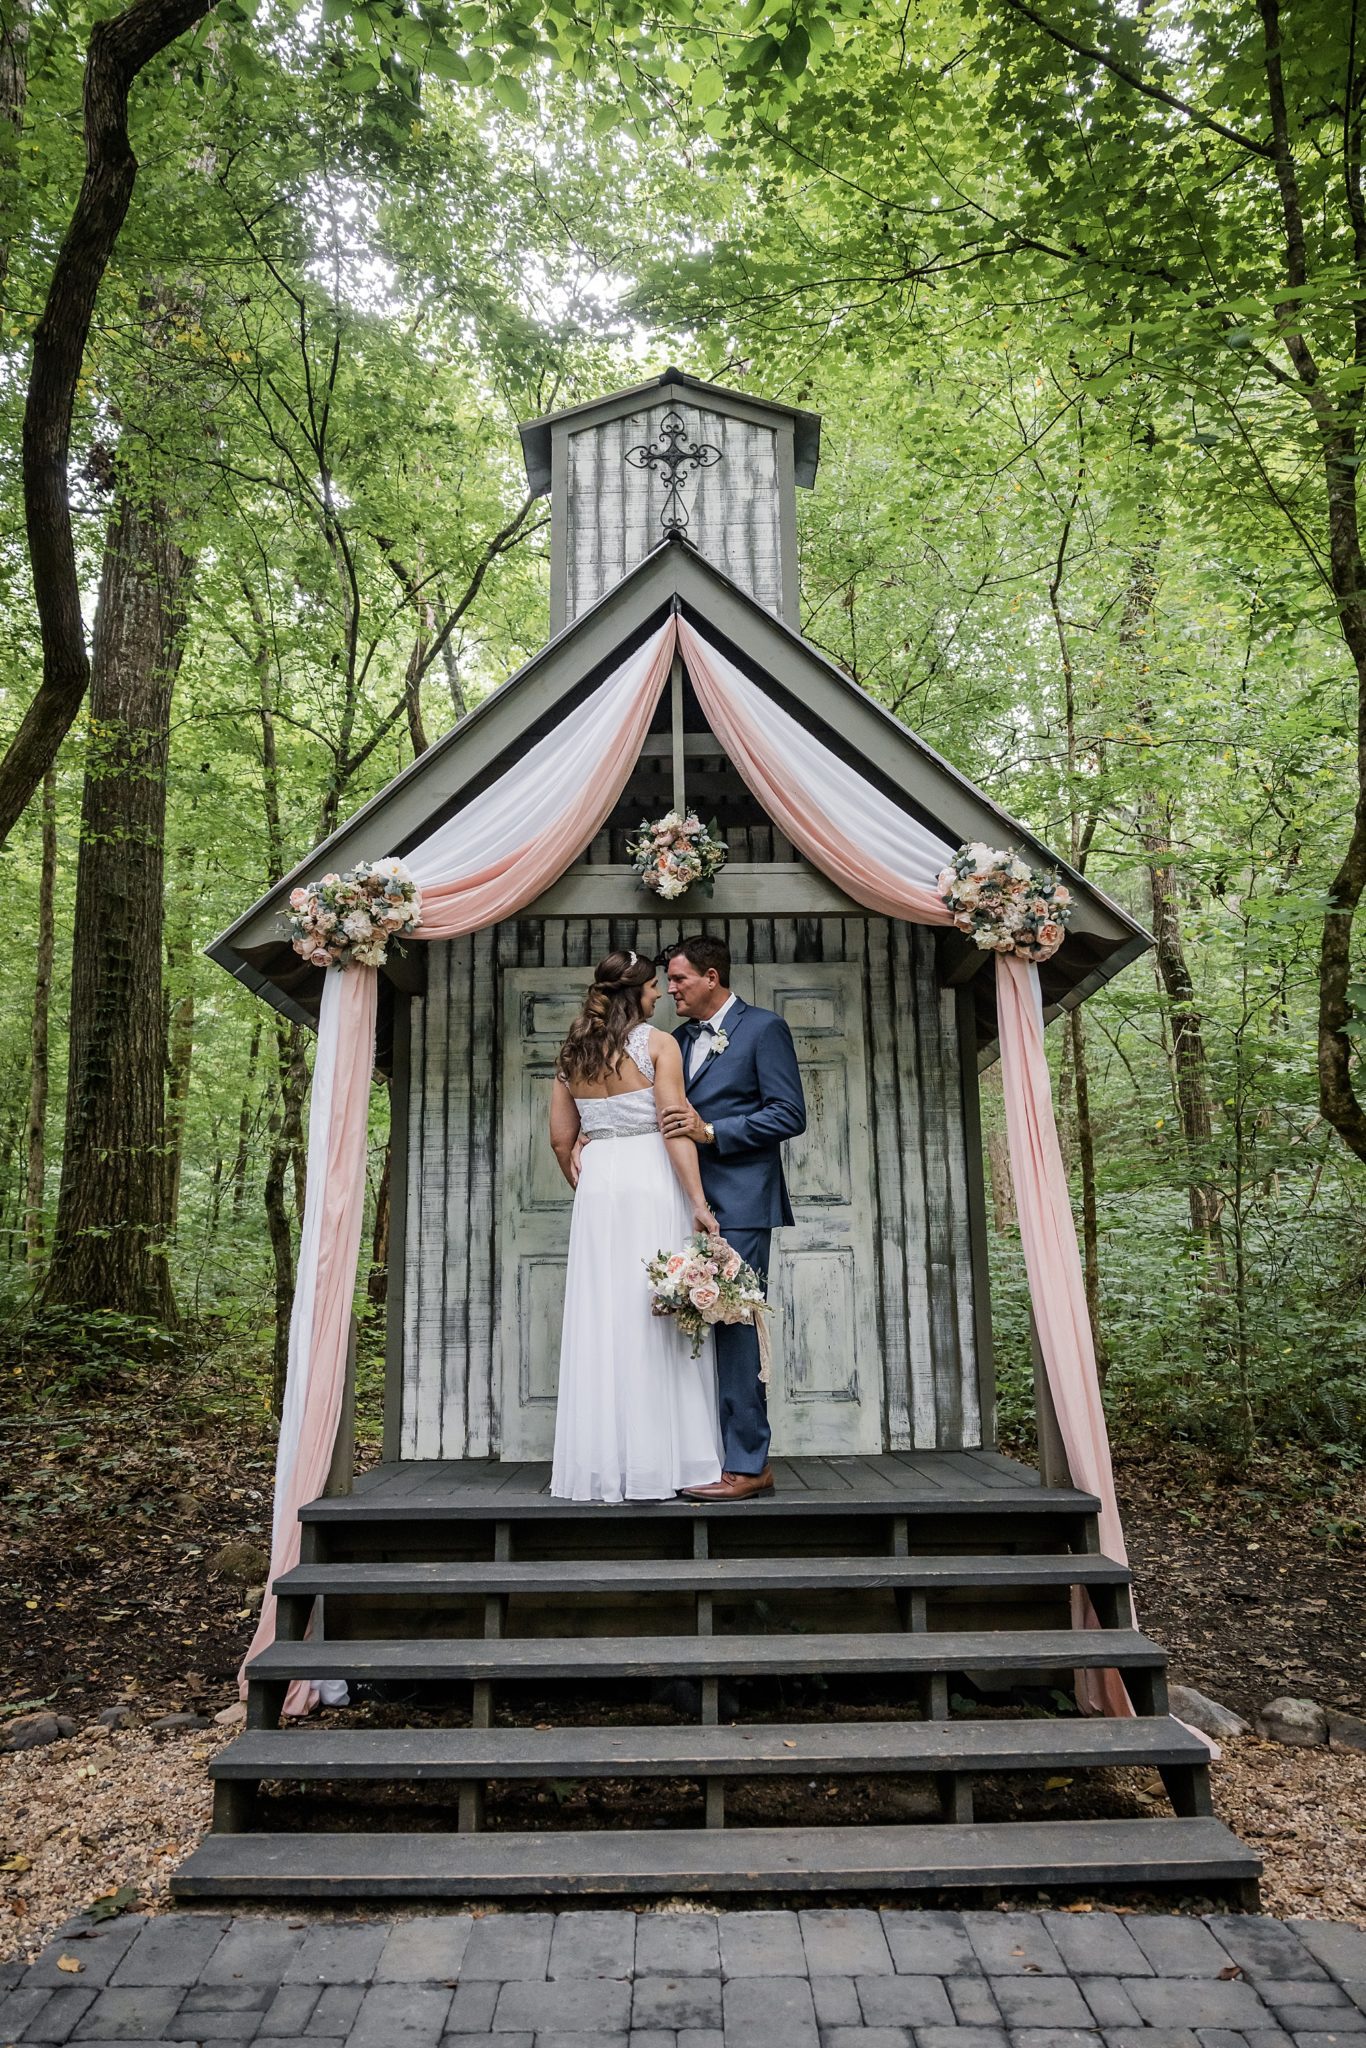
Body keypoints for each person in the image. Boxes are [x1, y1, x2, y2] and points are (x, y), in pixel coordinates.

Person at [547, 949, 724, 1503]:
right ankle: (667, 1459)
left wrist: (583, 1176)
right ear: (638, 992)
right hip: (651, 1178)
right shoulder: (658, 1044)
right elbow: (674, 1125)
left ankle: (604, 1463)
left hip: (600, 1184)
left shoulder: (573, 1050)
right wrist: (698, 1201)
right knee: (659, 1312)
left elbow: (560, 1137)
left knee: (605, 1314)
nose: (658, 995)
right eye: (653, 987)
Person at [658, 935, 807, 1500]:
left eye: (679, 980)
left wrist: (714, 1132)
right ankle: (692, 1452)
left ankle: (748, 1464)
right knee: (681, 1329)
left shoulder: (763, 1028)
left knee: (736, 1330)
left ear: (712, 976)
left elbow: (788, 1113)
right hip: (681, 1199)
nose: (671, 989)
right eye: (668, 982)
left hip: (741, 1203)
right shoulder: (675, 1040)